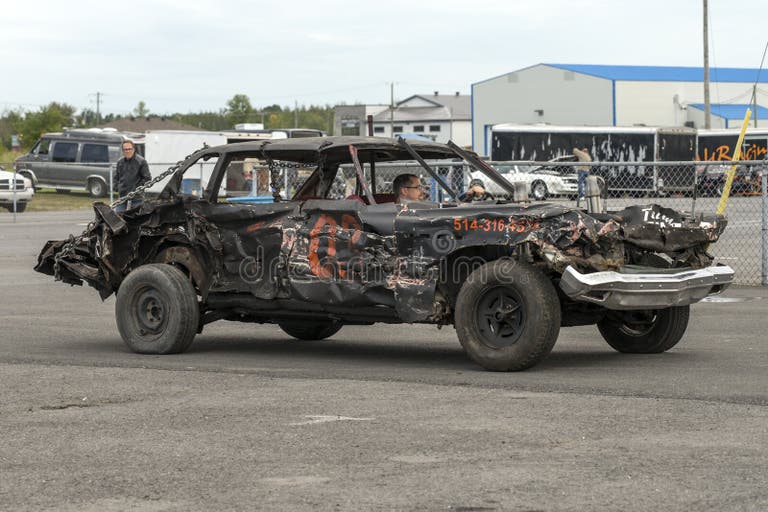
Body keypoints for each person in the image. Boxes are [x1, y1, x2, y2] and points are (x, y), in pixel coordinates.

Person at [113, 140, 151, 212]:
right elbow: (116, 177)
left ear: (133, 149)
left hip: (137, 197)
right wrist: (116, 187)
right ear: (123, 151)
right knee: (118, 215)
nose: (127, 151)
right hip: (123, 196)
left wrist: (137, 188)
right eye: (125, 149)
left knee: (136, 216)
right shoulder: (120, 162)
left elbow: (147, 178)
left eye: (129, 149)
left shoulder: (141, 161)